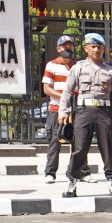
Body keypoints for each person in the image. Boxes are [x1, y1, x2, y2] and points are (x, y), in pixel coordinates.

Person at [59, 33, 112, 199]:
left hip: (104, 112)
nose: (96, 49)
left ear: (104, 49)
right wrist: (63, 110)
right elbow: (68, 90)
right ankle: (72, 183)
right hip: (84, 111)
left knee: (108, 148)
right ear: (86, 49)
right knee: (79, 147)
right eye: (93, 47)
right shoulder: (79, 68)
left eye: (99, 47)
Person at [41, 35, 79, 183]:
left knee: (78, 142)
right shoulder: (51, 65)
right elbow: (47, 89)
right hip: (56, 109)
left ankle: (80, 171)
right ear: (58, 48)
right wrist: (65, 97)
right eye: (64, 46)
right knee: (55, 141)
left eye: (70, 45)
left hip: (75, 109)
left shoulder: (78, 66)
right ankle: (50, 173)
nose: (68, 48)